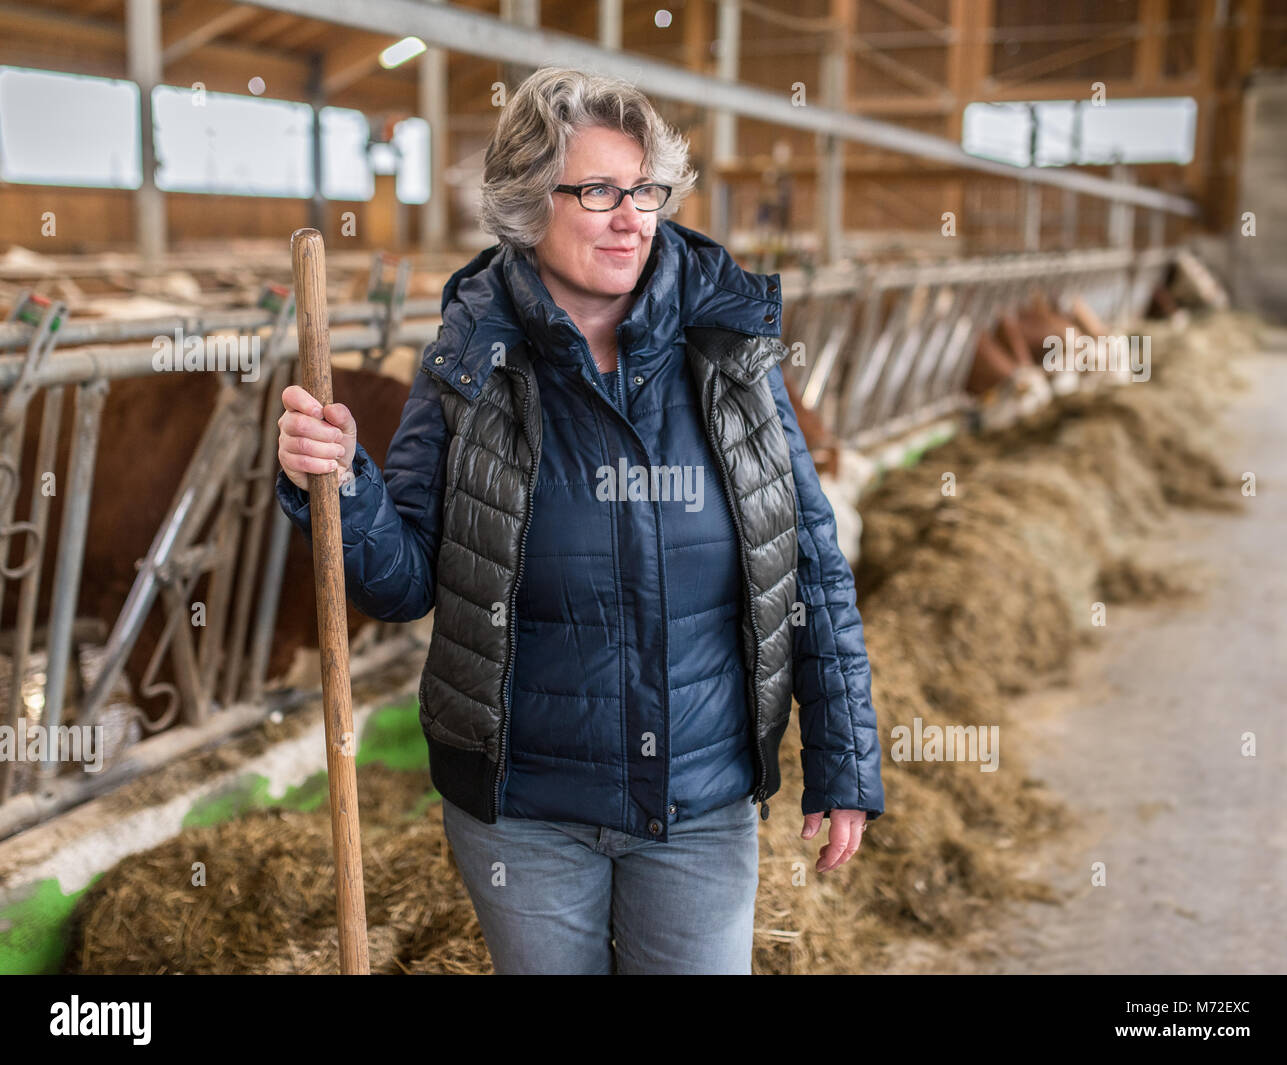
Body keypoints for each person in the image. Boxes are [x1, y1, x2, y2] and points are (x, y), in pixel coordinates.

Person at [275, 67, 884, 975]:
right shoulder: (468, 363)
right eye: (597, 191)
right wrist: (343, 485)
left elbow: (811, 564)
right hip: (524, 810)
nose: (631, 216)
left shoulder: (730, 358)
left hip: (701, 801)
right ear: (529, 202)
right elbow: (401, 584)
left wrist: (843, 759)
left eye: (645, 190)